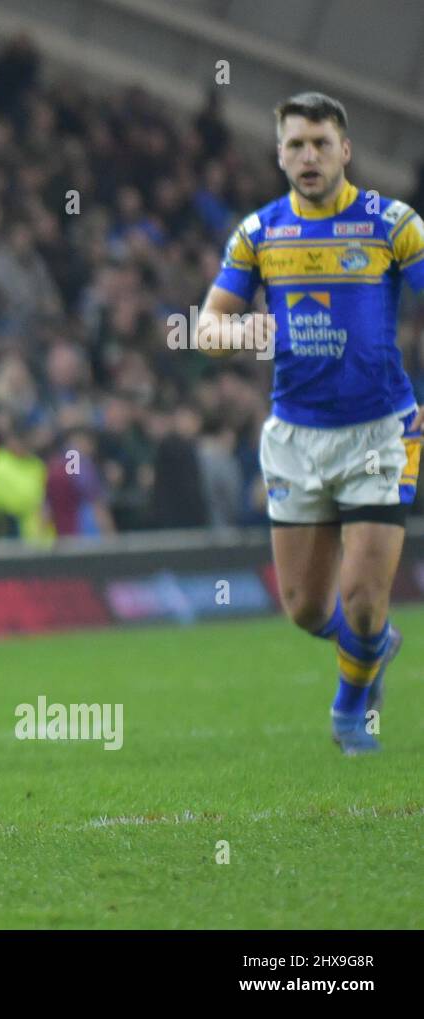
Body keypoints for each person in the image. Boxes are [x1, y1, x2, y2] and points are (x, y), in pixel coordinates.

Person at [195, 93, 424, 754]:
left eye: (321, 143)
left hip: (382, 432)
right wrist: (232, 332)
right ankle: (375, 644)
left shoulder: (393, 224)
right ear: (278, 154)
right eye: (295, 144)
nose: (309, 156)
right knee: (302, 606)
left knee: (360, 597)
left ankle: (351, 712)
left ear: (345, 150)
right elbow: (208, 322)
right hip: (295, 437)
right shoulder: (260, 232)